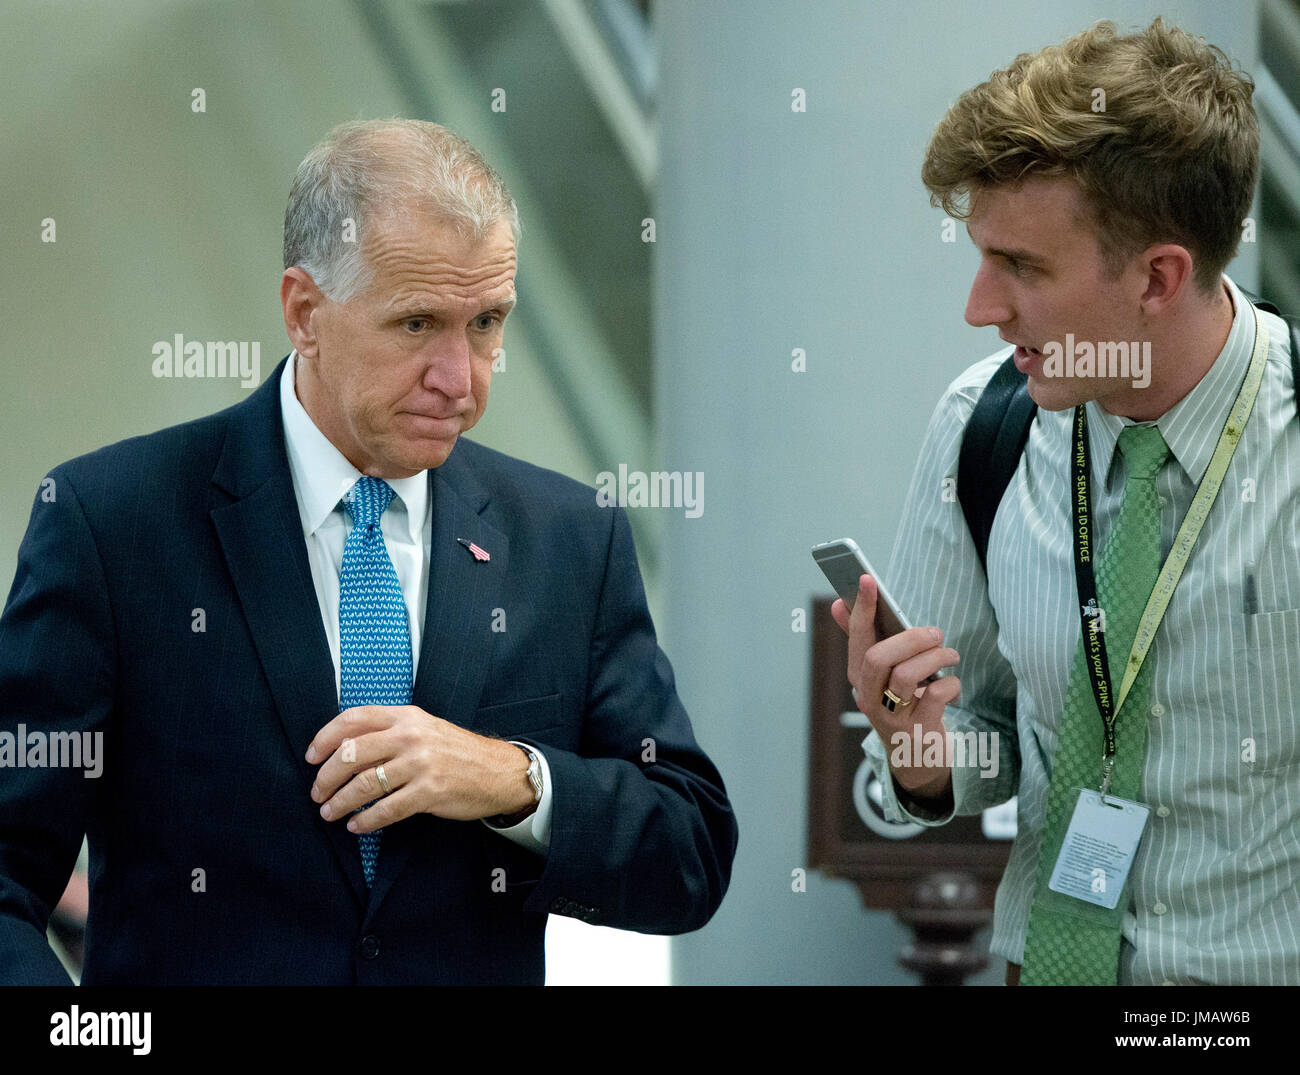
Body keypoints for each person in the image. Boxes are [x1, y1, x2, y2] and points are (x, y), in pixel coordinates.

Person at [0, 118, 737, 985]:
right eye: (418, 323)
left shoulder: (571, 539)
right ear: (304, 314)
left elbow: (689, 852)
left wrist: (515, 779)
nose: (460, 378)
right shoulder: (114, 525)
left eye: (488, 322)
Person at [835, 19, 1298, 985]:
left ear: (1159, 277)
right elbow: (985, 743)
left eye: (1024, 268)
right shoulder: (982, 427)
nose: (980, 305)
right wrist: (921, 751)